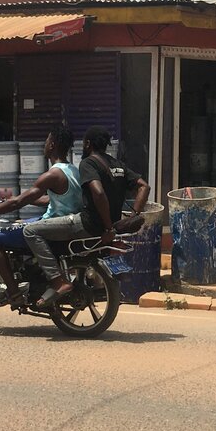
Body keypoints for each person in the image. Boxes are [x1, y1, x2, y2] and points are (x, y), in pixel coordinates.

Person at [24, 125, 150, 308]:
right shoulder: (118, 165)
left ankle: (57, 281)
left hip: (87, 223)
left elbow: (98, 193)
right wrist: (133, 215)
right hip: (106, 225)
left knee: (30, 231)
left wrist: (108, 228)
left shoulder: (88, 163)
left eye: (84, 143)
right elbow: (144, 186)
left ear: (88, 144)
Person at [0, 125, 81, 308]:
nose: (44, 144)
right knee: (20, 224)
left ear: (52, 145)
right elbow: (51, 199)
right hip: (64, 224)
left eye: (46, 141)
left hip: (51, 226)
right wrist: (23, 199)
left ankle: (14, 293)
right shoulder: (72, 170)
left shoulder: (52, 174)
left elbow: (17, 204)